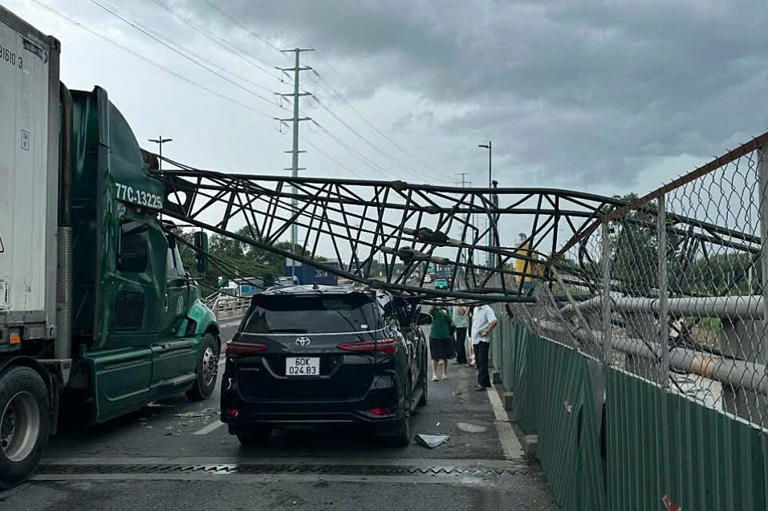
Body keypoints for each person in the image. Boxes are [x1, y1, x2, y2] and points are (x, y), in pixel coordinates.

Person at [471, 303, 497, 391]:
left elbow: (494, 321)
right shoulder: (475, 309)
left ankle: (482, 383)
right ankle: (485, 382)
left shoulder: (487, 309)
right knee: (479, 361)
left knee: (482, 360)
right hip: (475, 338)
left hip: (483, 339)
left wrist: (487, 330)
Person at [429, 303, 454, 381]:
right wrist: (434, 305)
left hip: (445, 336)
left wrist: (446, 315)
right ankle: (434, 374)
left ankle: (444, 373)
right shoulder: (434, 310)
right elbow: (430, 313)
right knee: (434, 356)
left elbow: (450, 321)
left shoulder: (446, 310)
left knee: (444, 356)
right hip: (435, 336)